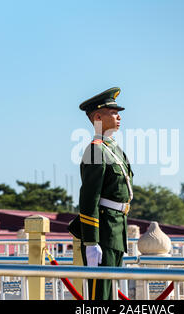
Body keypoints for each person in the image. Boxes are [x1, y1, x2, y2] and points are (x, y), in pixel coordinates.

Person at [68, 87, 133, 300]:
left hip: (116, 230)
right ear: (97, 117)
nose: (118, 116)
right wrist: (91, 242)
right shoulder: (95, 150)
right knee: (100, 297)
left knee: (111, 293)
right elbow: (89, 199)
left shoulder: (113, 149)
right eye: (113, 112)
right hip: (103, 232)